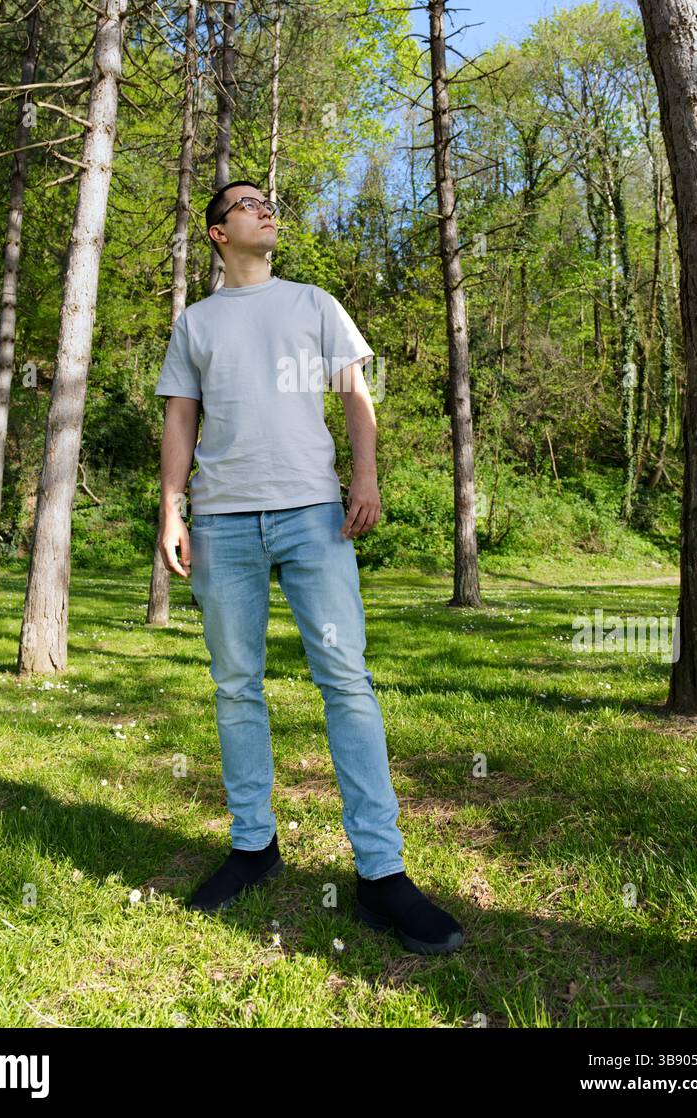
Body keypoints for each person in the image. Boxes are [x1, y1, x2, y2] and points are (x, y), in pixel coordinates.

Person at [154, 179, 464, 955]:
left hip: (311, 515)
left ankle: (381, 875)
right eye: (247, 204)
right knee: (235, 685)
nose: (267, 209)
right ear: (220, 234)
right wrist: (171, 507)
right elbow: (180, 416)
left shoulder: (314, 303)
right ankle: (253, 849)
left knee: (346, 681)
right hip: (222, 522)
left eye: (269, 202)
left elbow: (355, 394)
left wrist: (364, 475)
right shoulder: (195, 322)